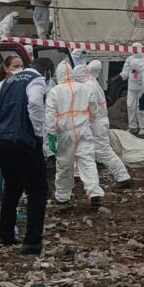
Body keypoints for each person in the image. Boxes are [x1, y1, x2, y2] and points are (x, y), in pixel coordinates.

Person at [0, 58, 52, 254]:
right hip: (22, 141)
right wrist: (38, 134)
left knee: (12, 188)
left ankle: (5, 234)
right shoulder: (36, 80)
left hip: (0, 142)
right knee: (37, 190)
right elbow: (36, 103)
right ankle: (32, 241)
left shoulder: (7, 81)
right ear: (45, 72)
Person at [46, 61, 103, 206]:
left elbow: (50, 114)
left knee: (64, 164)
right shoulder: (84, 88)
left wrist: (51, 134)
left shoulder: (55, 91)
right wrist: (87, 120)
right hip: (83, 129)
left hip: (64, 132)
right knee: (88, 161)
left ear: (58, 75)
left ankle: (62, 196)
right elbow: (94, 109)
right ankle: (94, 192)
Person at [85, 60, 132, 188]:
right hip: (100, 121)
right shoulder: (94, 83)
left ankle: (123, 176)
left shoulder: (89, 85)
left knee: (104, 151)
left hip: (96, 122)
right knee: (96, 150)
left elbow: (90, 107)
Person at [120, 44, 144, 134]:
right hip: (132, 87)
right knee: (130, 106)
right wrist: (123, 75)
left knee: (141, 106)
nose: (135, 51)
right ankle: (133, 126)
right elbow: (125, 71)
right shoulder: (129, 59)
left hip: (142, 86)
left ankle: (142, 126)